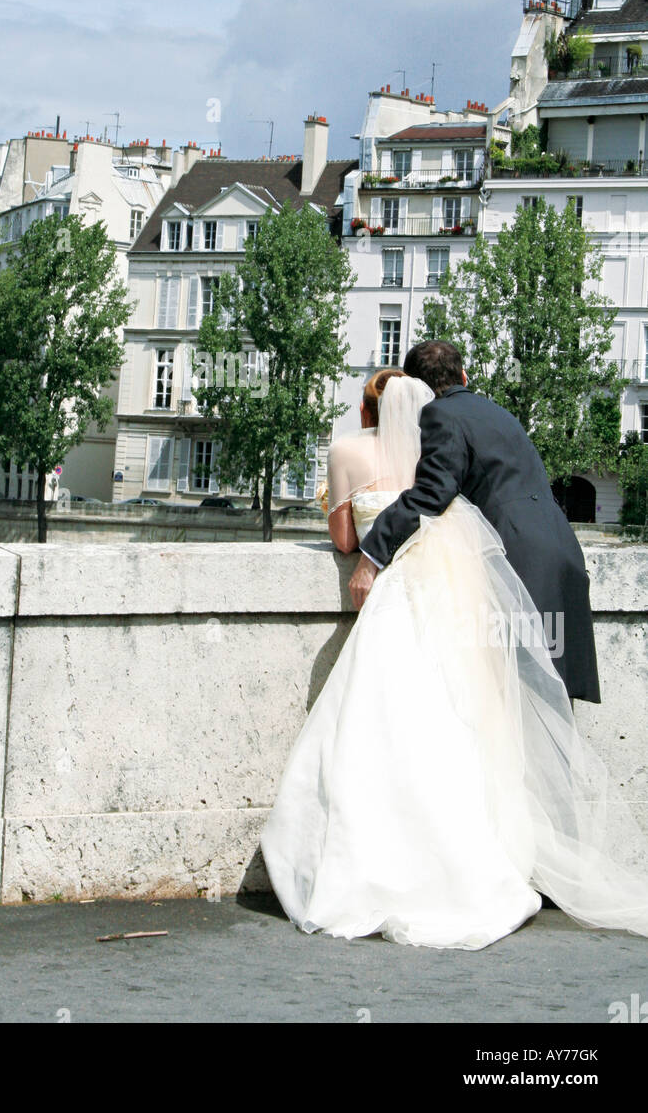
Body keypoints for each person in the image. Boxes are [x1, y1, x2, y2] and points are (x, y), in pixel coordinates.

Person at [259, 366, 648, 949]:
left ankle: (466, 860)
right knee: (487, 712)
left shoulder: (407, 431)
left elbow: (413, 503)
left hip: (471, 568)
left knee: (430, 715)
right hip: (523, 558)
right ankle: (509, 851)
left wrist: (370, 553)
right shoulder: (483, 415)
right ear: (460, 375)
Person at [351, 340, 599, 704]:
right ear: (463, 375)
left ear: (417, 388)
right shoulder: (496, 412)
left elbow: (431, 494)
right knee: (550, 703)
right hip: (559, 550)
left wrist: (371, 555)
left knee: (520, 701)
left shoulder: (440, 415)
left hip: (519, 560)